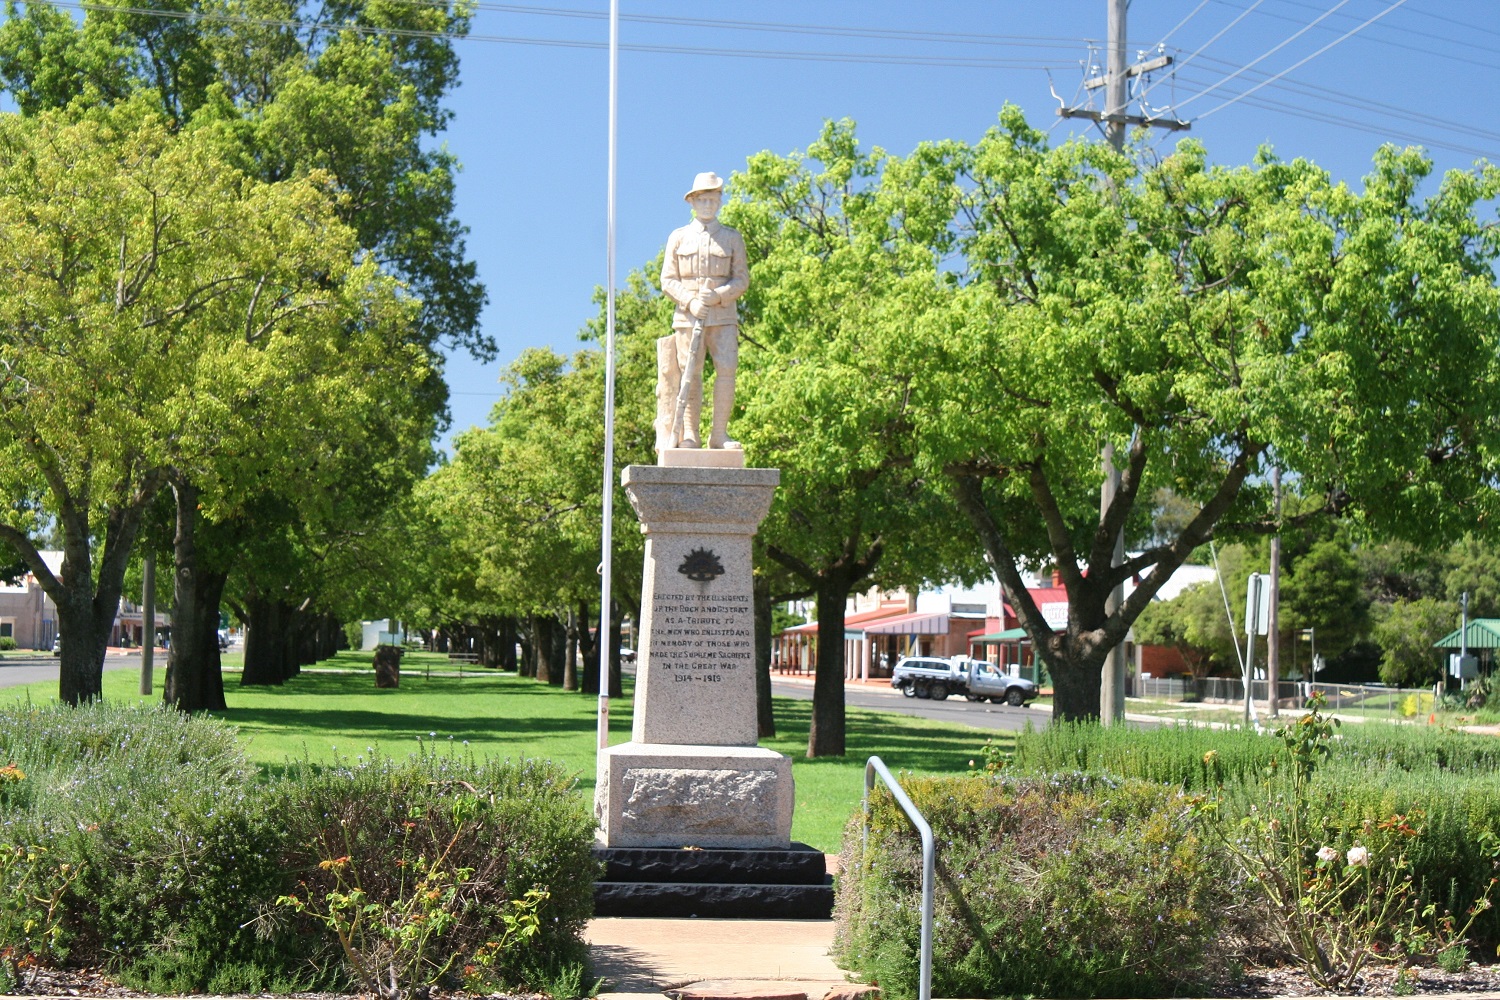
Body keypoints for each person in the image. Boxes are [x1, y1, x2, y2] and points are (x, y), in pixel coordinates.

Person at [656, 171, 750, 455]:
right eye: (703, 200)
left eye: (713, 200)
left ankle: (719, 434)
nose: (708, 205)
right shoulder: (678, 237)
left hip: (723, 318)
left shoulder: (732, 238)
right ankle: (690, 434)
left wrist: (719, 295)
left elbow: (741, 279)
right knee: (690, 373)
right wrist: (690, 301)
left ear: (719, 202)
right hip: (688, 319)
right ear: (692, 202)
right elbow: (667, 280)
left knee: (727, 371)